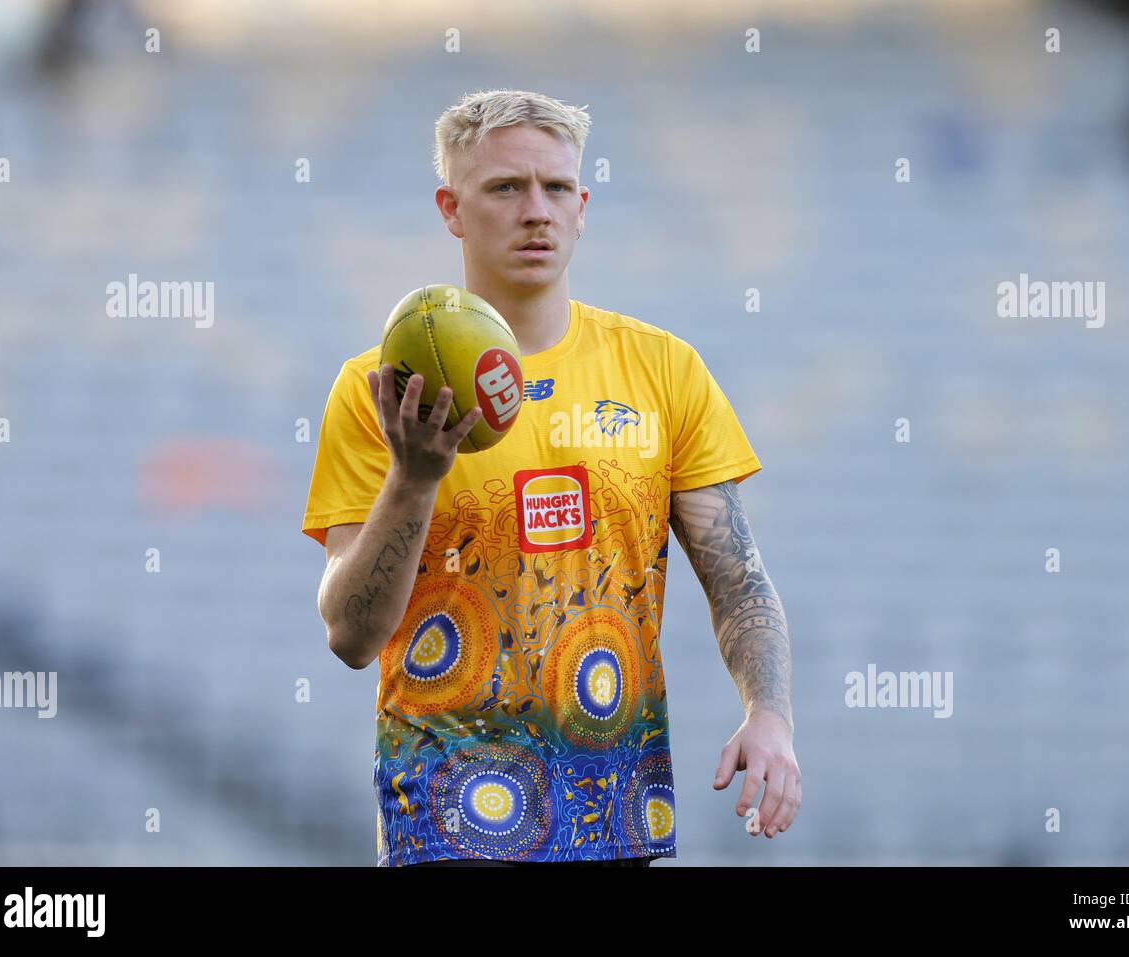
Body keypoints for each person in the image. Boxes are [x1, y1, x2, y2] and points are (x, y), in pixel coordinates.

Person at [301, 89, 800, 867]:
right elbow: (350, 634)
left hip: (620, 815)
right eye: (505, 187)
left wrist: (769, 712)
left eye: (556, 187)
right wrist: (415, 478)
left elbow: (738, 579)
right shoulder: (384, 390)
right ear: (451, 209)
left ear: (582, 205)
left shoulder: (663, 371)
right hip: (446, 821)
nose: (536, 210)